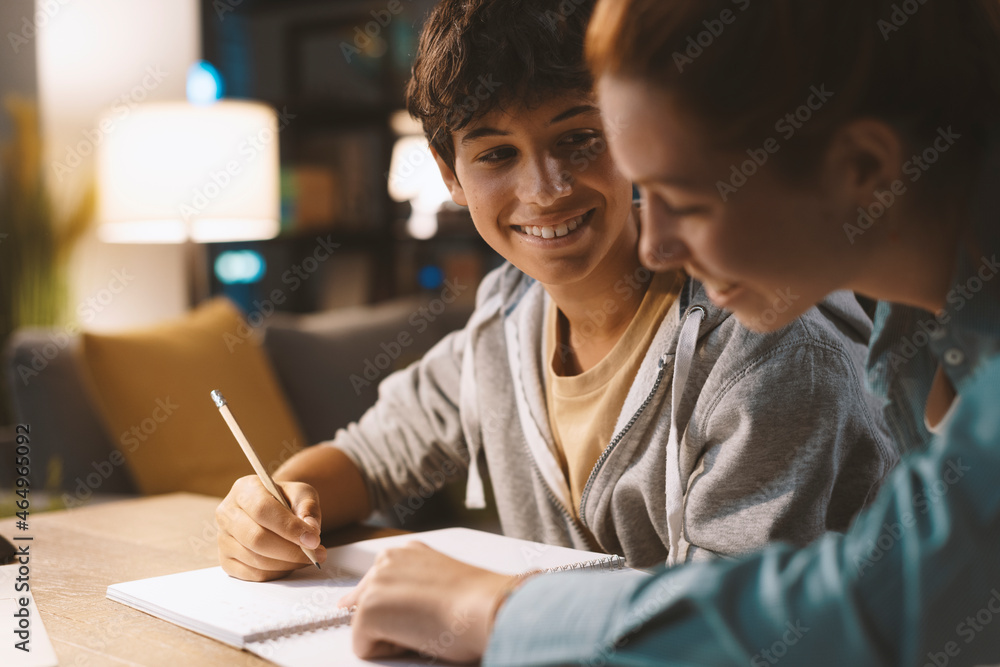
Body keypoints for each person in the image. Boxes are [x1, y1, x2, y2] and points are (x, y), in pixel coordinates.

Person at [339, 0, 1000, 664]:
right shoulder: (920, 338)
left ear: (862, 171)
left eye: (685, 198)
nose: (654, 245)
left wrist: (488, 609)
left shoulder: (794, 350)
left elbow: (859, 612)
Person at [218, 0, 891, 614]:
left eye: (578, 138)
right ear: (449, 172)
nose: (545, 189)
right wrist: (276, 503)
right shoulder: (506, 316)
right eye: (497, 154)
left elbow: (721, 628)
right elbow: (369, 458)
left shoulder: (766, 346)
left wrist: (488, 605)